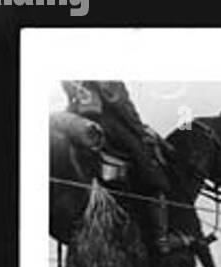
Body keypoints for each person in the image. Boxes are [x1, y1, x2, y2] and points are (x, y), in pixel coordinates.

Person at [62, 80, 172, 253]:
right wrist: (141, 133)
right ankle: (160, 238)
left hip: (75, 116)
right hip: (107, 121)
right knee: (154, 177)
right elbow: (122, 106)